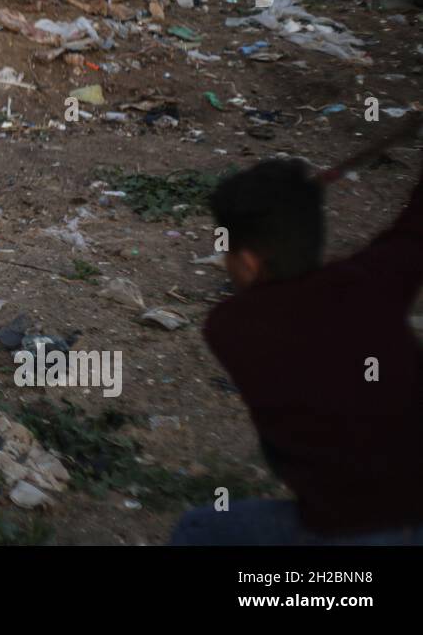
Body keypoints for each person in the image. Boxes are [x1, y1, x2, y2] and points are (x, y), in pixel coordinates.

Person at [170, 155, 423, 544]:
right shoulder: (373, 282)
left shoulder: (230, 327)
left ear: (250, 262)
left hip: (348, 531)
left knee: (197, 530)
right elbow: (412, 231)